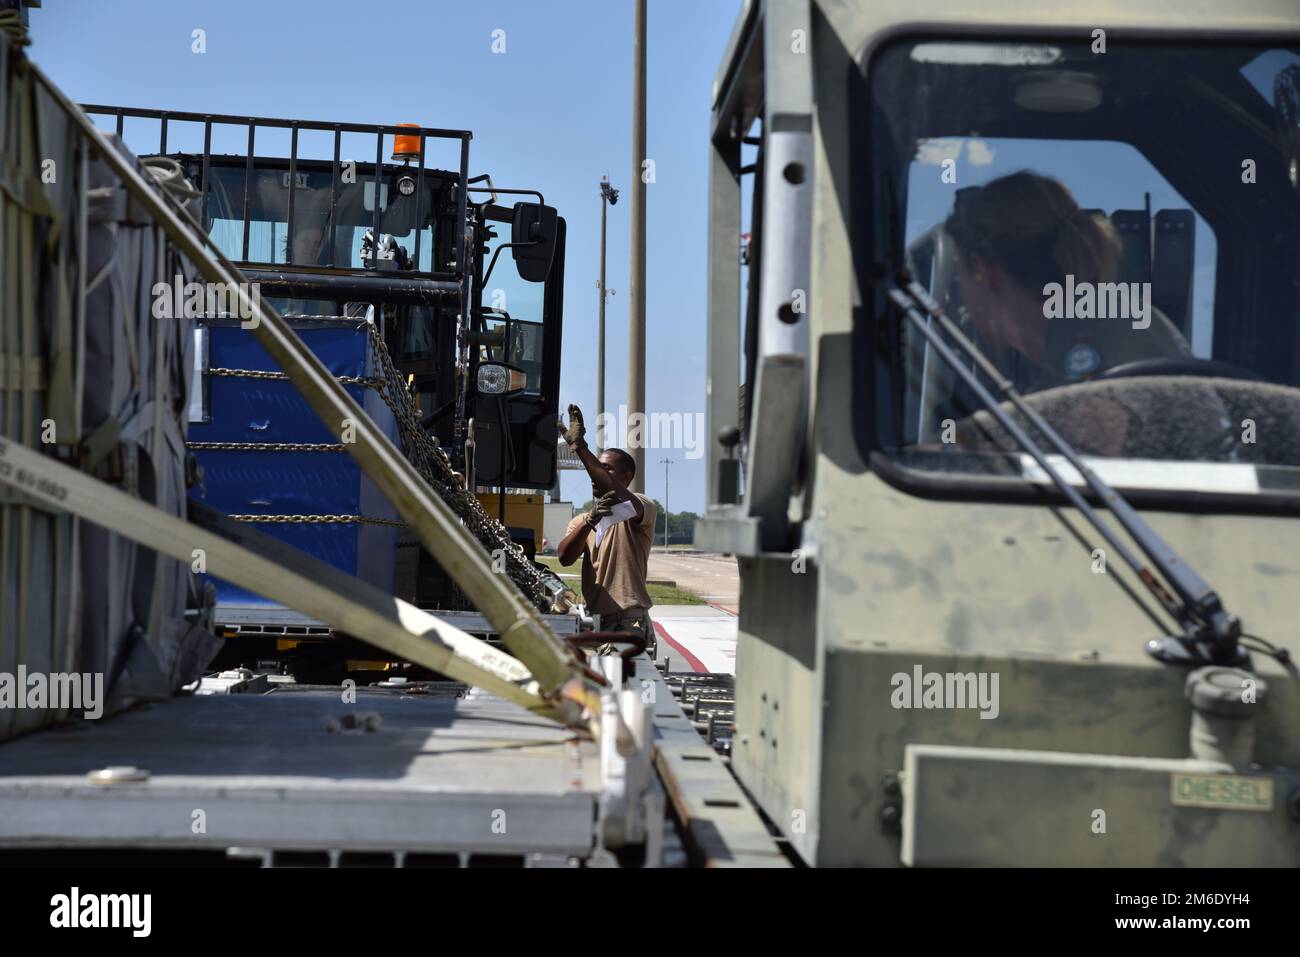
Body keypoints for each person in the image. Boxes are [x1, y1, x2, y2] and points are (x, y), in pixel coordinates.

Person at [556, 405, 657, 649]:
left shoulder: (641, 508)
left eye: (606, 469)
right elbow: (564, 558)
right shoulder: (582, 520)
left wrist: (580, 448)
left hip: (628, 620)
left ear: (625, 478)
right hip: (594, 621)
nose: (595, 475)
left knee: (624, 681)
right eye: (596, 467)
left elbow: (612, 490)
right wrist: (589, 521)